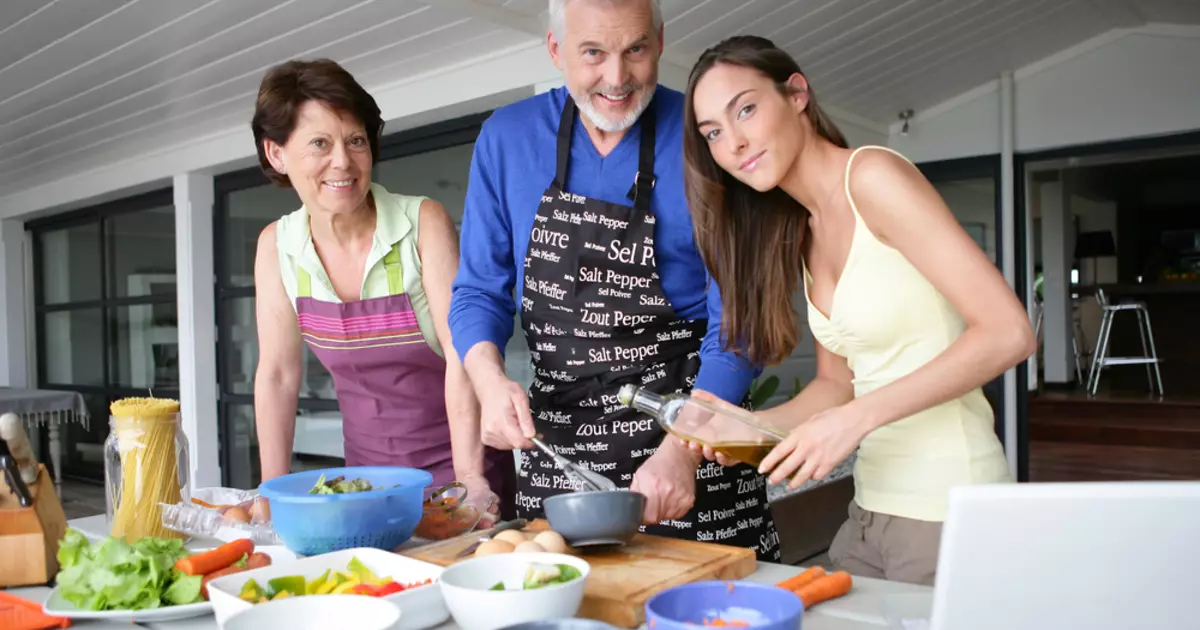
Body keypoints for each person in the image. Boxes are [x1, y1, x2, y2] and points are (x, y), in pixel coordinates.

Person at [681, 36, 1035, 584]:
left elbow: (1009, 332)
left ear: (797, 93)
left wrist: (856, 420)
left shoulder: (873, 177)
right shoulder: (803, 228)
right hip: (870, 510)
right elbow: (836, 384)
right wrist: (752, 426)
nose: (735, 142)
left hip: (947, 505)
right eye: (714, 133)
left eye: (745, 109)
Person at [449, 0, 780, 558]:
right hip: (562, 466)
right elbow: (479, 291)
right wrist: (487, 380)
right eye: (593, 53)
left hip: (695, 454)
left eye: (636, 50)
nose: (617, 78)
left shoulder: (707, 135)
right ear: (556, 51)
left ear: (660, 40)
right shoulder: (506, 139)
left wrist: (683, 447)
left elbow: (739, 324)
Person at [250, 58, 510, 522]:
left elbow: (461, 353)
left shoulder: (420, 223)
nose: (342, 162)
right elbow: (277, 376)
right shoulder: (277, 247)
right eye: (319, 144)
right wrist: (271, 494)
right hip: (366, 484)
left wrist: (470, 477)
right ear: (276, 154)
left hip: (458, 475)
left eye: (356, 141)